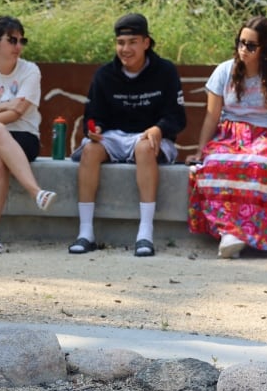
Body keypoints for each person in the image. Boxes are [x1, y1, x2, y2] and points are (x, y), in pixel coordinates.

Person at [187, 16, 267, 259]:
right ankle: (229, 232)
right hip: (229, 134)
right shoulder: (224, 71)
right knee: (213, 164)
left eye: (251, 45)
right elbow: (212, 116)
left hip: (265, 136)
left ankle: (239, 235)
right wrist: (200, 150)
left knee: (260, 165)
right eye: (241, 43)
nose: (244, 49)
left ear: (266, 48)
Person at [69, 13, 187, 257]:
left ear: (146, 42)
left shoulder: (165, 71)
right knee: (89, 151)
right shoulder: (104, 75)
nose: (126, 49)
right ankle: (85, 232)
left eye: (133, 42)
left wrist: (158, 128)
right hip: (113, 138)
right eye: (121, 43)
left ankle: (145, 234)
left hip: (151, 138)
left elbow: (177, 117)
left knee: (144, 147)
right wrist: (95, 129)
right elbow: (93, 116)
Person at [0, 15, 57, 254]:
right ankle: (36, 192)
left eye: (21, 41)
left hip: (24, 137)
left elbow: (18, 112)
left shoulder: (30, 71)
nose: (18, 46)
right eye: (12, 40)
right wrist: (1, 110)